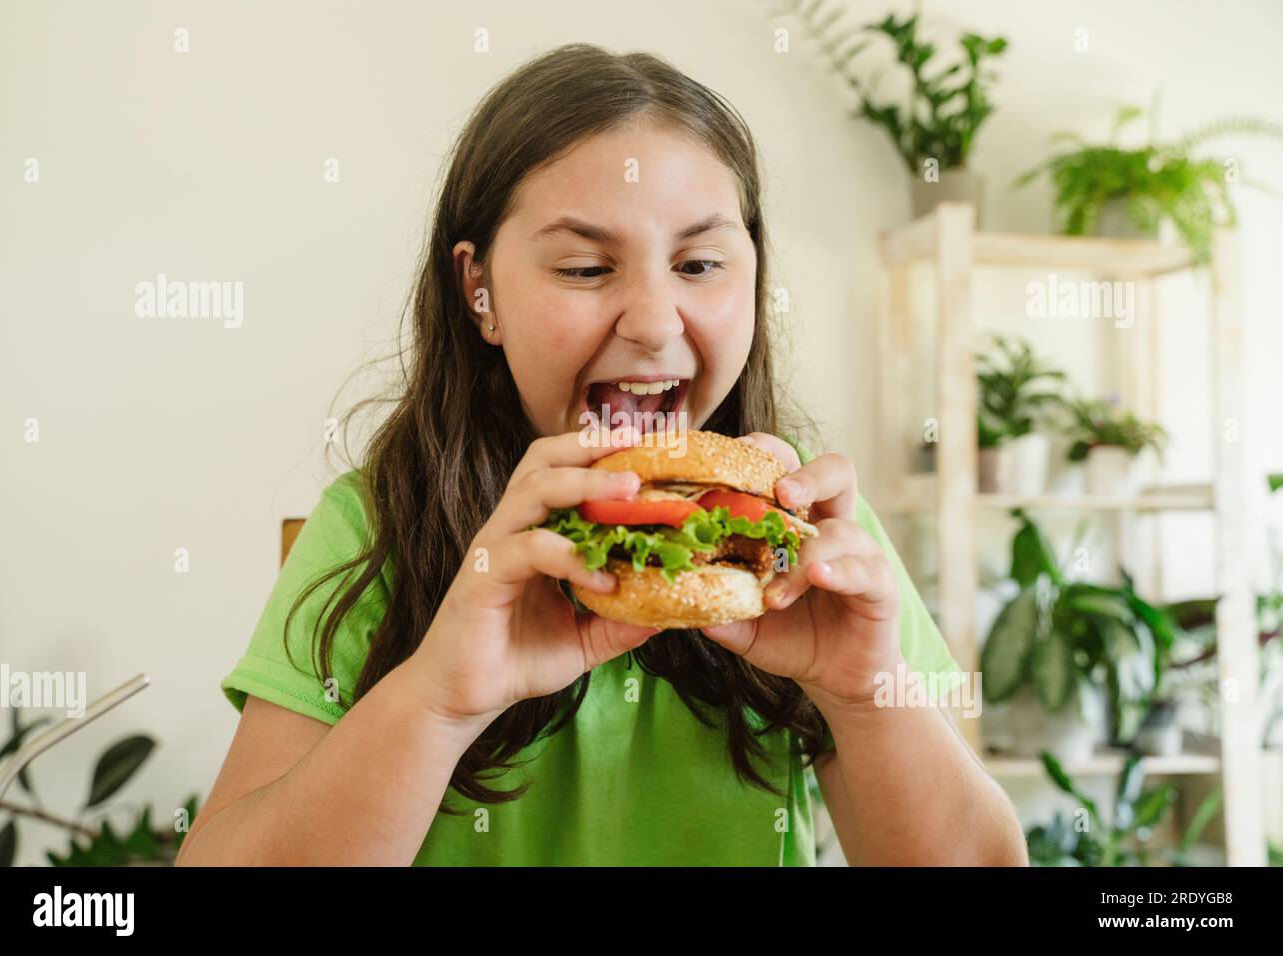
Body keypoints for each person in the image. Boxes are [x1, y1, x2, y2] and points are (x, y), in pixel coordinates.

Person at [176, 43, 1027, 867]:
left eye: (699, 263)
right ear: (481, 291)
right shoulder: (373, 529)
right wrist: (436, 700)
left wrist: (863, 696)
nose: (654, 322)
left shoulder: (809, 537)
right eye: (585, 268)